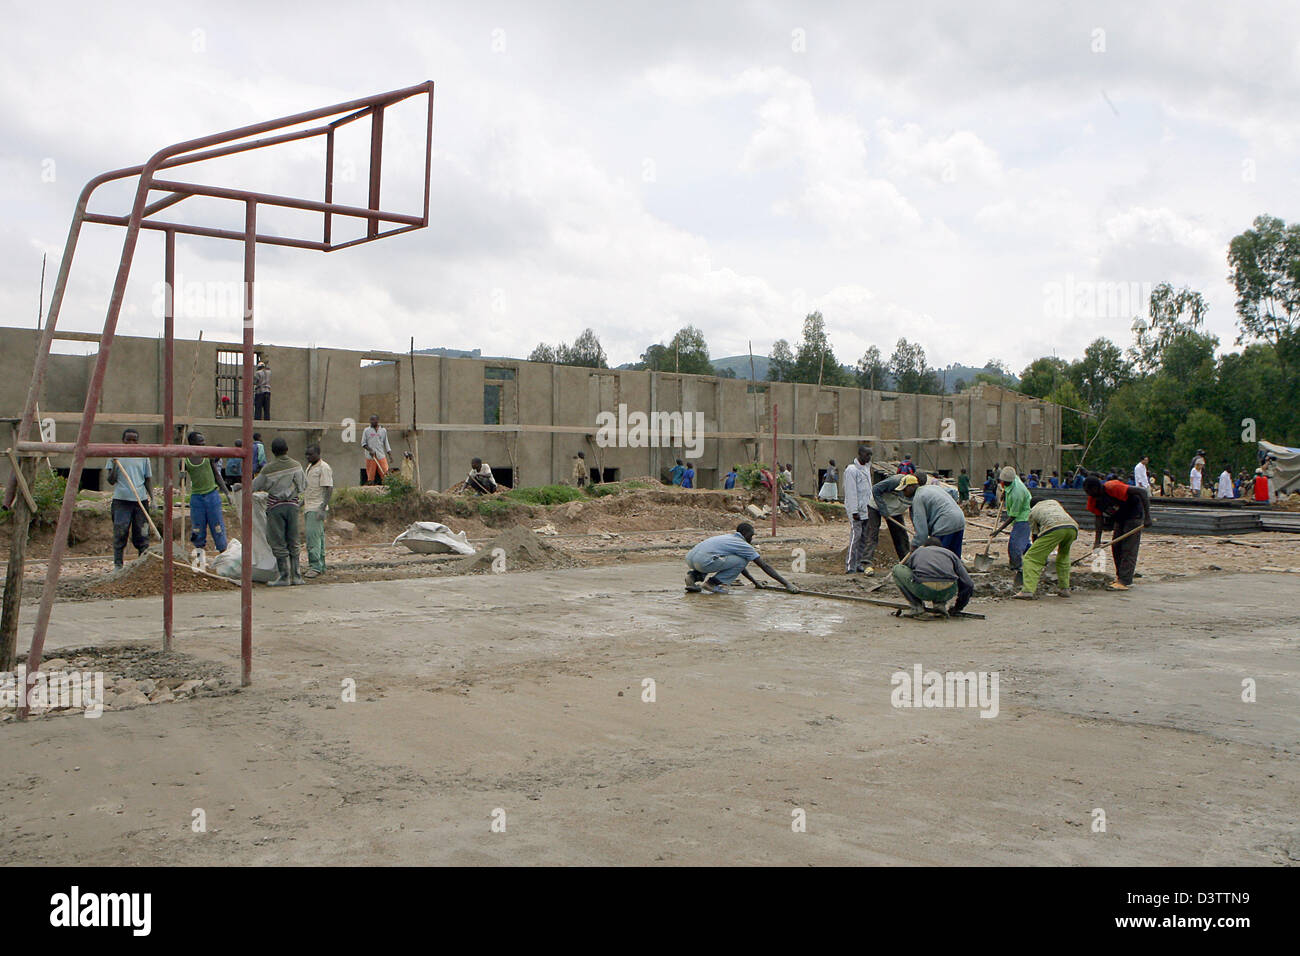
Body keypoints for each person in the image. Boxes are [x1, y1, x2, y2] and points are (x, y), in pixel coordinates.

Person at [684, 522, 798, 594]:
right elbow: (764, 565)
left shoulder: (728, 537)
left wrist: (754, 582)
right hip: (704, 562)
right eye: (751, 535)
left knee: (720, 558)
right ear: (744, 533)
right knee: (742, 560)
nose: (751, 539)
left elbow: (738, 567)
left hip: (691, 559)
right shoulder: (743, 544)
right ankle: (712, 584)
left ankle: (692, 577)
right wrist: (786, 584)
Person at [253, 437, 306, 586]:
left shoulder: (268, 469)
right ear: (287, 449)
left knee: (278, 542)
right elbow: (303, 485)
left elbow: (255, 486)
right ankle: (297, 576)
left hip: (275, 507)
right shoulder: (297, 465)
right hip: (293, 507)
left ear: (273, 451)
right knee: (293, 541)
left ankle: (284, 576)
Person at [1083, 475, 1151, 591]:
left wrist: (1147, 517)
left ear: (1096, 488)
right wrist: (1097, 543)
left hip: (1133, 514)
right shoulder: (1093, 499)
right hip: (1120, 518)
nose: (1088, 494)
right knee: (1116, 546)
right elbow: (1098, 519)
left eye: (1089, 491)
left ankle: (1125, 581)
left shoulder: (1113, 487)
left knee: (1128, 548)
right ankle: (1121, 577)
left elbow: (1142, 492)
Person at [104, 428, 153, 569]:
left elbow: (147, 479)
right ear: (123, 441)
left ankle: (141, 565)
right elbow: (111, 480)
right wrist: (114, 465)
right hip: (121, 501)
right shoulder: (115, 455)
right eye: (128, 440)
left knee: (142, 534)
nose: (131, 443)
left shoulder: (143, 456)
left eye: (134, 440)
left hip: (140, 500)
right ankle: (118, 565)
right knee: (120, 531)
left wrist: (152, 499)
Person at [891, 536, 974, 618]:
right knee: (949, 576)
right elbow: (969, 583)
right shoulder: (950, 554)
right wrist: (958, 607)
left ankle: (917, 607)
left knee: (897, 569)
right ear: (941, 547)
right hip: (947, 592)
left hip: (924, 590)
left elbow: (909, 570)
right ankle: (940, 605)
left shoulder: (919, 551)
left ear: (925, 546)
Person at [1014, 499, 1079, 599]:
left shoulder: (1033, 511)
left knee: (1031, 558)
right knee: (1064, 556)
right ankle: (1064, 589)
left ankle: (1027, 591)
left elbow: (1035, 536)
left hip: (1053, 527)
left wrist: (1040, 556)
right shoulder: (1054, 503)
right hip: (1072, 528)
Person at [181, 431, 229, 556]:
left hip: (212, 496)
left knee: (217, 527)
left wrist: (227, 493)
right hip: (197, 498)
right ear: (192, 444)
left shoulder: (208, 456)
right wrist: (181, 472)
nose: (203, 445)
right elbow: (181, 474)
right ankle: (199, 559)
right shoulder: (186, 459)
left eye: (204, 443)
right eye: (200, 443)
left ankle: (223, 554)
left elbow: (217, 476)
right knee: (198, 529)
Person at [900, 474, 966, 557]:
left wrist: (914, 545)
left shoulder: (918, 498)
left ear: (911, 487)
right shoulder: (933, 488)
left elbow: (921, 532)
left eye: (904, 490)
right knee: (954, 557)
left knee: (938, 557)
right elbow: (953, 493)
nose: (903, 493)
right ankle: (957, 569)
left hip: (945, 524)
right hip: (959, 520)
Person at [994, 465, 1033, 583]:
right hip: (1019, 516)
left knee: (1014, 545)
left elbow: (1013, 516)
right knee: (1024, 544)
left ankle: (1019, 569)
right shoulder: (1012, 479)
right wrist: (1004, 493)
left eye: (1004, 483)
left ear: (1008, 482)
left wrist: (999, 530)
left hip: (1023, 518)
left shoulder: (1017, 493)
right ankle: (1042, 558)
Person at [302, 444, 333, 579]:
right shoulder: (310, 467)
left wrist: (322, 508)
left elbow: (329, 489)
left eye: (310, 454)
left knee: (312, 538)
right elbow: (310, 488)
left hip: (316, 507)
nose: (308, 457)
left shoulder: (323, 468)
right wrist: (301, 503)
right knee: (318, 538)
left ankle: (315, 566)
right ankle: (321, 566)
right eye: (307, 455)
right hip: (309, 506)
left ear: (318, 454)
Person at [843, 446, 875, 575]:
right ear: (860, 454)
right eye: (867, 455)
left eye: (870, 455)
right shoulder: (851, 470)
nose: (869, 457)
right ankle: (850, 566)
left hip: (867, 509)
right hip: (856, 511)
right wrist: (854, 511)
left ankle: (859, 564)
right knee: (855, 538)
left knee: (863, 538)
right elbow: (851, 492)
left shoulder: (866, 468)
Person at [871, 470, 915, 563]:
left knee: (901, 537)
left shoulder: (918, 494)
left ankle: (906, 562)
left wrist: (918, 530)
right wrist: (883, 509)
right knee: (872, 533)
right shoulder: (895, 481)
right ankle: (866, 563)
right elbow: (875, 489)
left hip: (895, 511)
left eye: (904, 489)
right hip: (875, 506)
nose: (903, 491)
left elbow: (914, 513)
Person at [361, 415, 392, 484]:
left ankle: (386, 488)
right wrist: (370, 450)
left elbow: (386, 443)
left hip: (381, 455)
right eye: (370, 420)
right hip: (371, 457)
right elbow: (363, 443)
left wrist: (389, 455)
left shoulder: (383, 430)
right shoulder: (366, 430)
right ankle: (371, 487)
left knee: (385, 473)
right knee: (371, 475)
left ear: (377, 420)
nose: (371, 422)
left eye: (373, 420)